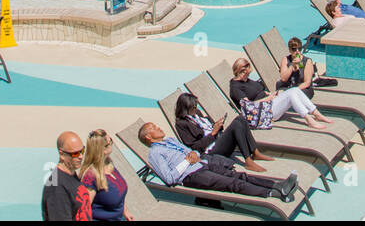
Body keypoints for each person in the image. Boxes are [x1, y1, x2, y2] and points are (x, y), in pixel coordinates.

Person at [139, 122, 298, 202]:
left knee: (241, 176)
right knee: (232, 183)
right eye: (154, 127)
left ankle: (277, 185)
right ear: (148, 137)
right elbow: (169, 179)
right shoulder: (154, 153)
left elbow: (190, 151)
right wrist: (187, 162)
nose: (158, 127)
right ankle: (274, 194)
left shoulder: (170, 140)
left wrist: (193, 153)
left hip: (202, 164)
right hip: (191, 176)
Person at [173, 92, 274, 173]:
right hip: (210, 151)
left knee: (240, 119)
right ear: (185, 108)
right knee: (236, 125)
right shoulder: (181, 124)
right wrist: (213, 133)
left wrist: (217, 126)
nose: (196, 109)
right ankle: (248, 161)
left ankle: (255, 152)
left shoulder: (197, 114)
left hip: (219, 140)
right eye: (193, 107)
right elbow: (194, 147)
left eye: (196, 106)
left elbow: (208, 127)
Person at [229, 55, 331, 129]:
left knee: (294, 90)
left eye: (247, 72)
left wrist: (271, 94)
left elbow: (258, 92)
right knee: (291, 94)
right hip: (263, 113)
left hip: (269, 105)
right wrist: (269, 98)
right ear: (237, 71)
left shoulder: (246, 80)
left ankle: (316, 113)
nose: (246, 75)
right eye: (243, 73)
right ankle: (309, 120)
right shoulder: (236, 87)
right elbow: (248, 106)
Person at [78, 128, 133, 221]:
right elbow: (83, 209)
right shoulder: (91, 177)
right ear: (104, 149)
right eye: (110, 141)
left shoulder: (109, 165)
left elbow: (120, 193)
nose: (112, 142)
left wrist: (125, 210)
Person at [42, 130, 92, 221]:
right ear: (62, 154)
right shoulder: (56, 186)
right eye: (75, 153)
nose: (81, 156)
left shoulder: (71, 175)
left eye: (82, 151)